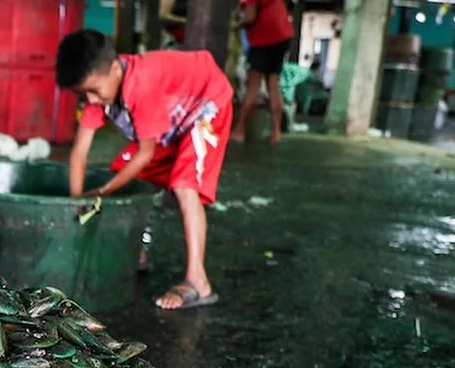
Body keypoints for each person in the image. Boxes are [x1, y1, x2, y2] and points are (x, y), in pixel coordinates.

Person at [56, 29, 233, 312]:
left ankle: (198, 282)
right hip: (175, 117)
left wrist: (103, 192)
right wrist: (77, 203)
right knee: (123, 174)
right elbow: (79, 154)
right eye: (82, 94)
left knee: (184, 184)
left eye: (94, 91)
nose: (90, 100)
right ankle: (135, 253)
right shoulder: (98, 94)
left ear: (115, 69)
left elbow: (146, 152)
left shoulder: (141, 85)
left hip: (205, 104)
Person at [232, 0, 294, 144]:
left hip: (264, 37)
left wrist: (234, 26)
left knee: (253, 84)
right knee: (273, 84)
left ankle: (239, 131)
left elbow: (250, 17)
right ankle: (276, 132)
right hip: (283, 35)